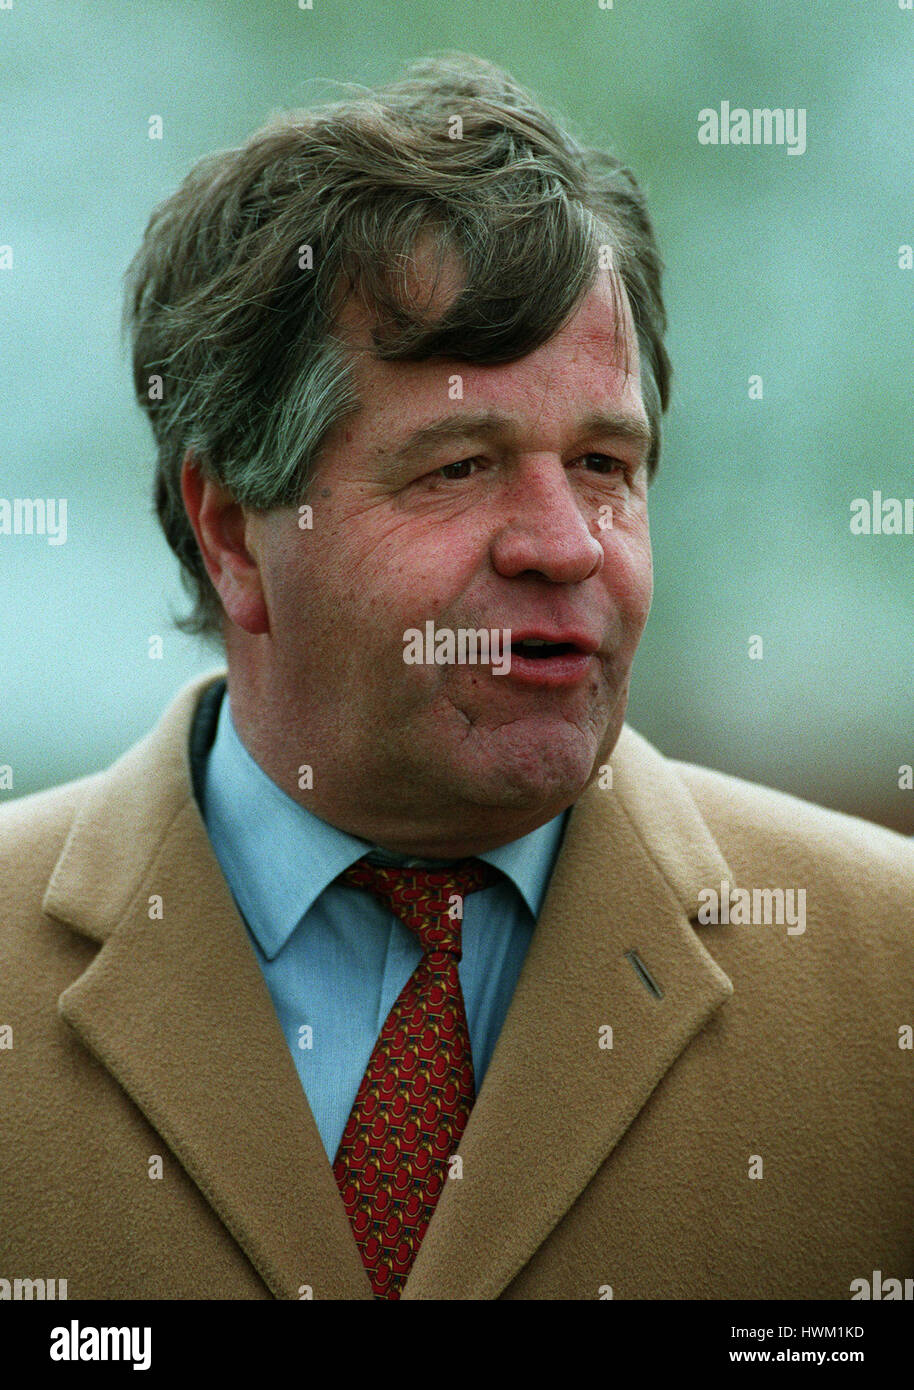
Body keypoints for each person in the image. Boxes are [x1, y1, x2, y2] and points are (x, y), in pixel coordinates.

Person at [1, 54, 912, 1303]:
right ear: (230, 532)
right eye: (458, 468)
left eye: (602, 462)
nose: (565, 542)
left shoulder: (884, 977)